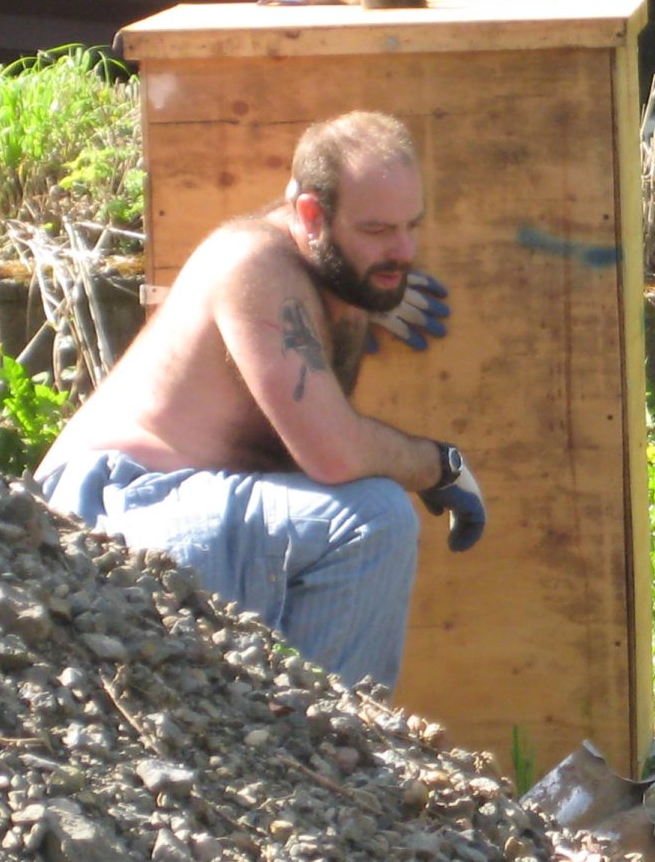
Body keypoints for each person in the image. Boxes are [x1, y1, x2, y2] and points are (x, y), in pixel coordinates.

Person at [34, 110, 486, 690]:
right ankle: (335, 745)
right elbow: (332, 454)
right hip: (106, 507)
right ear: (310, 216)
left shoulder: (336, 275)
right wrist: (438, 466)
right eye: (376, 231)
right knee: (373, 518)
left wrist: (370, 287)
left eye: (410, 227)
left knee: (358, 515)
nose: (403, 250)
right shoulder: (254, 262)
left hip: (180, 501)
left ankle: (301, 744)